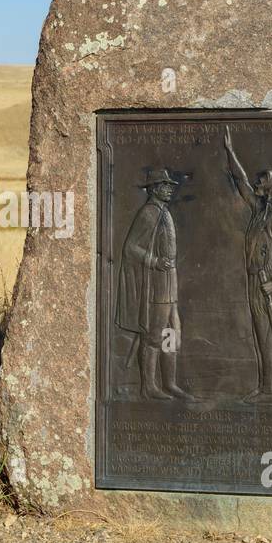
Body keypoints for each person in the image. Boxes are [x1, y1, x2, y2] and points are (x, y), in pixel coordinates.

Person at [222, 127, 272, 408]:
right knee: (260, 335)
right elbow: (240, 182)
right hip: (255, 280)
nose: (255, 183)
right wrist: (230, 152)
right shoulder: (258, 210)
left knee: (269, 335)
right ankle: (266, 387)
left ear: (270, 187)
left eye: (260, 182)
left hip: (266, 283)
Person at [114, 167, 195, 401]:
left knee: (171, 331)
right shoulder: (148, 213)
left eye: (170, 185)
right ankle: (148, 386)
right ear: (153, 189)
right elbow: (130, 248)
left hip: (170, 283)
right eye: (164, 185)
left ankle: (169, 383)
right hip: (156, 284)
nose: (169, 189)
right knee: (153, 335)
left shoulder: (164, 212)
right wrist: (155, 261)